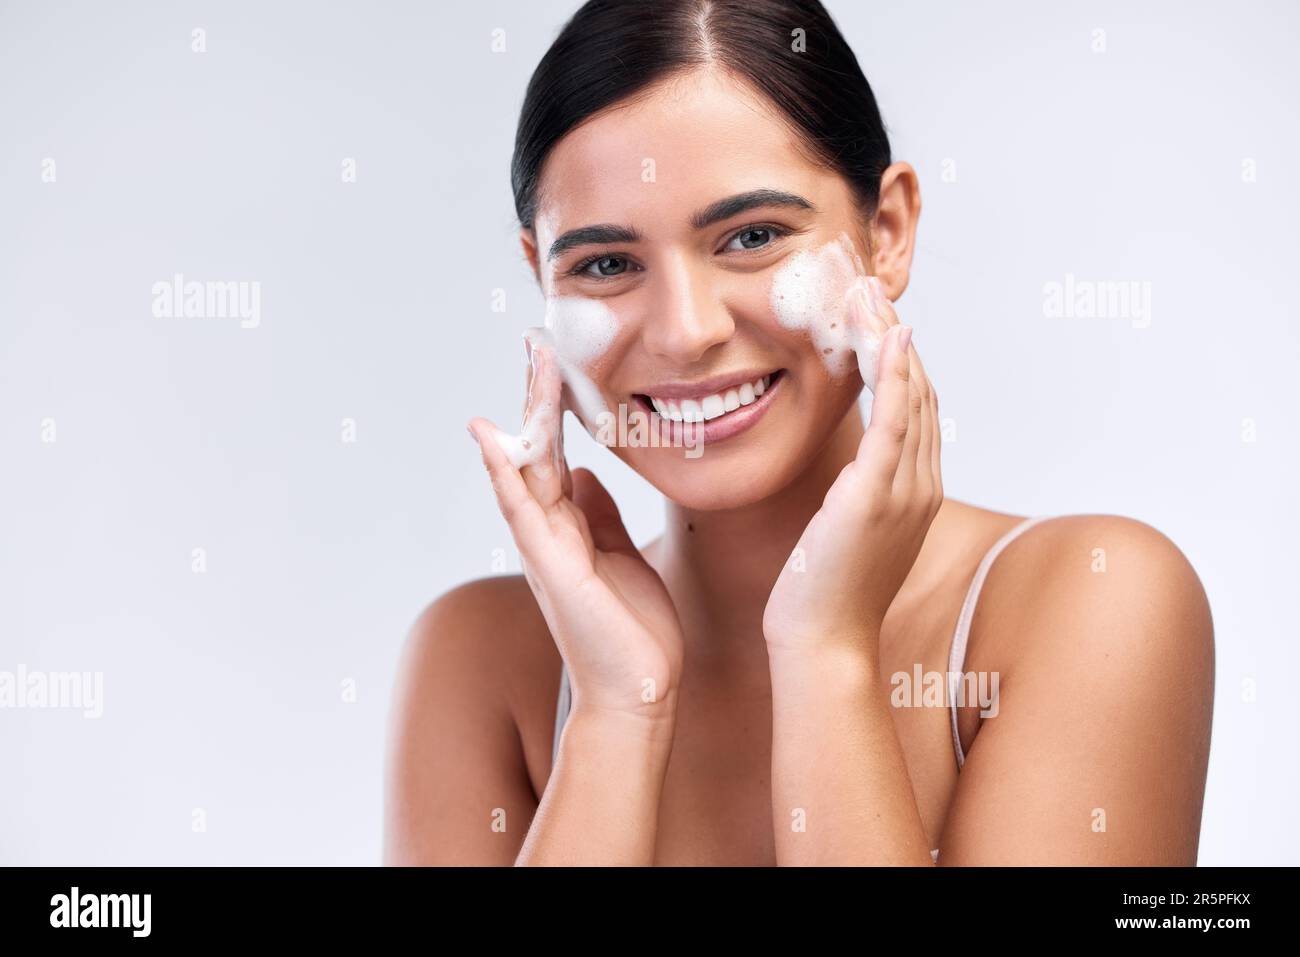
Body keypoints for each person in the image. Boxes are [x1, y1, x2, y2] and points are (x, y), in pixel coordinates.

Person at [384, 0, 1214, 865]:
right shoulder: (479, 661)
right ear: (539, 280)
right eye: (607, 264)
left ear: (885, 233)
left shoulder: (1090, 597)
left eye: (751, 236)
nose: (685, 330)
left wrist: (828, 655)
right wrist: (616, 715)